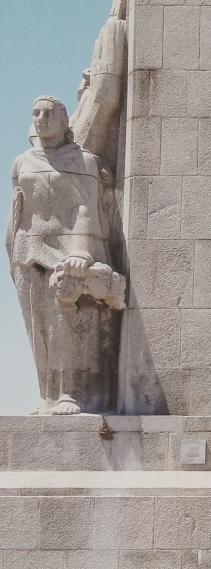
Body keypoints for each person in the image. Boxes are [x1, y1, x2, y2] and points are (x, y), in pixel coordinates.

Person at [7, 96, 125, 414]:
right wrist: (14, 249)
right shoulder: (22, 162)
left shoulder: (82, 160)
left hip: (68, 252)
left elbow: (85, 206)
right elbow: (19, 210)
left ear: (64, 120)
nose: (41, 118)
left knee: (68, 323)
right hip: (29, 251)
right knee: (40, 326)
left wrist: (81, 252)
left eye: (49, 113)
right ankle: (47, 395)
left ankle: (71, 393)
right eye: (35, 112)